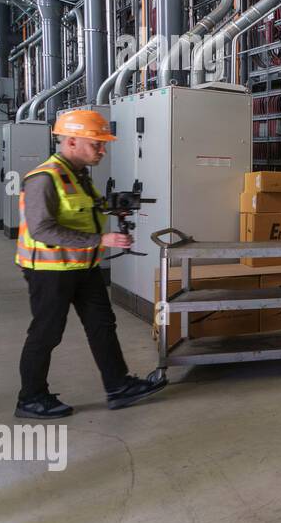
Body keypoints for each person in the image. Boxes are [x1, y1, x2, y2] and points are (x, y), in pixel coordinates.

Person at [14, 109, 168, 419]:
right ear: (71, 142)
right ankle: (30, 397)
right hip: (50, 271)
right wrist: (101, 240)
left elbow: (82, 212)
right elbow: (42, 228)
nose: (102, 150)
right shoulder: (43, 178)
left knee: (102, 324)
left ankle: (118, 386)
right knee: (46, 332)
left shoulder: (79, 174)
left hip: (83, 267)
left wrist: (113, 209)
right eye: (96, 144)